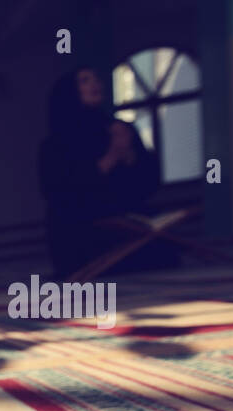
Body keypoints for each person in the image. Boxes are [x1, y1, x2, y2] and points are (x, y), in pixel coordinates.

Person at [38, 67, 169, 278]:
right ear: (70, 92)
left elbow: (148, 182)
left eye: (96, 79)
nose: (95, 84)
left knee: (162, 256)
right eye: (85, 80)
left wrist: (130, 157)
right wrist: (112, 157)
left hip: (125, 218)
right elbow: (61, 192)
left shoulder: (118, 129)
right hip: (81, 226)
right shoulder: (56, 144)